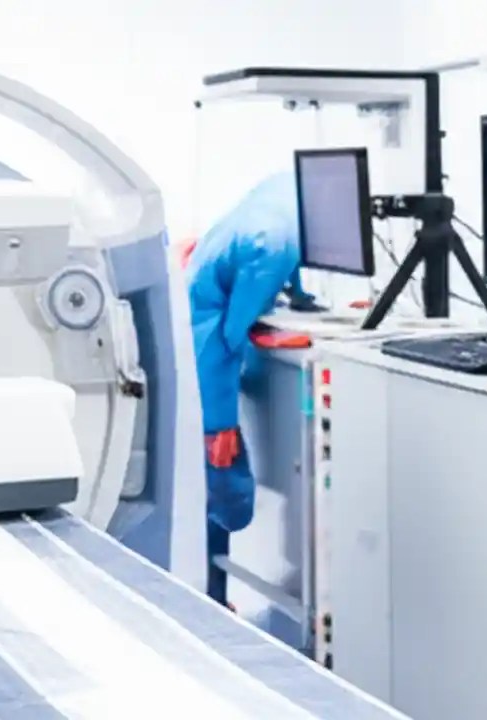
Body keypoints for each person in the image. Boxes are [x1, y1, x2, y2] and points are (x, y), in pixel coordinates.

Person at [185, 171, 304, 607]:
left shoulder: (271, 207)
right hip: (210, 350)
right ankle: (211, 596)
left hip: (199, 337)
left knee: (208, 466)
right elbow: (236, 329)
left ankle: (213, 592)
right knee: (217, 463)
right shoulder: (275, 239)